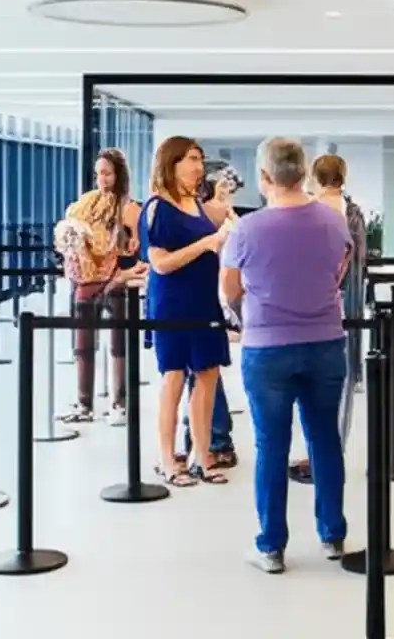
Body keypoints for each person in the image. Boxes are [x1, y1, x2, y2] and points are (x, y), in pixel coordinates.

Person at [221, 137, 351, 574]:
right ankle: (333, 535)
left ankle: (271, 546)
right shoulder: (334, 221)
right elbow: (339, 275)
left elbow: (230, 288)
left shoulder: (247, 228)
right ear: (305, 173)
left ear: (263, 177)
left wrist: (251, 312)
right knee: (324, 440)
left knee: (271, 446)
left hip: (266, 347)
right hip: (325, 341)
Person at [143, 136, 232, 487]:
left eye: (200, 159)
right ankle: (168, 459)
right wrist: (206, 244)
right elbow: (161, 263)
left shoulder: (194, 202)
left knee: (208, 373)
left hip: (204, 300)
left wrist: (222, 211)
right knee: (175, 377)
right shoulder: (157, 207)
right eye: (191, 159)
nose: (198, 166)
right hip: (172, 304)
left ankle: (203, 454)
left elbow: (217, 220)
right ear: (172, 162)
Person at [288, 153, 368, 484]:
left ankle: (315, 452)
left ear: (313, 177)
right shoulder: (354, 212)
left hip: (315, 304)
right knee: (343, 377)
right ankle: (333, 450)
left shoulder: (310, 211)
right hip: (349, 302)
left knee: (310, 382)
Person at [53, 148, 147, 426]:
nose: (101, 179)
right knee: (83, 345)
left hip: (118, 282)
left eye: (106, 173)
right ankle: (84, 403)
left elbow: (137, 248)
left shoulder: (130, 208)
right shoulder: (84, 205)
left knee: (119, 345)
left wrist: (125, 270)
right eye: (97, 174)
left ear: (118, 175)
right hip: (86, 281)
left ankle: (119, 402)